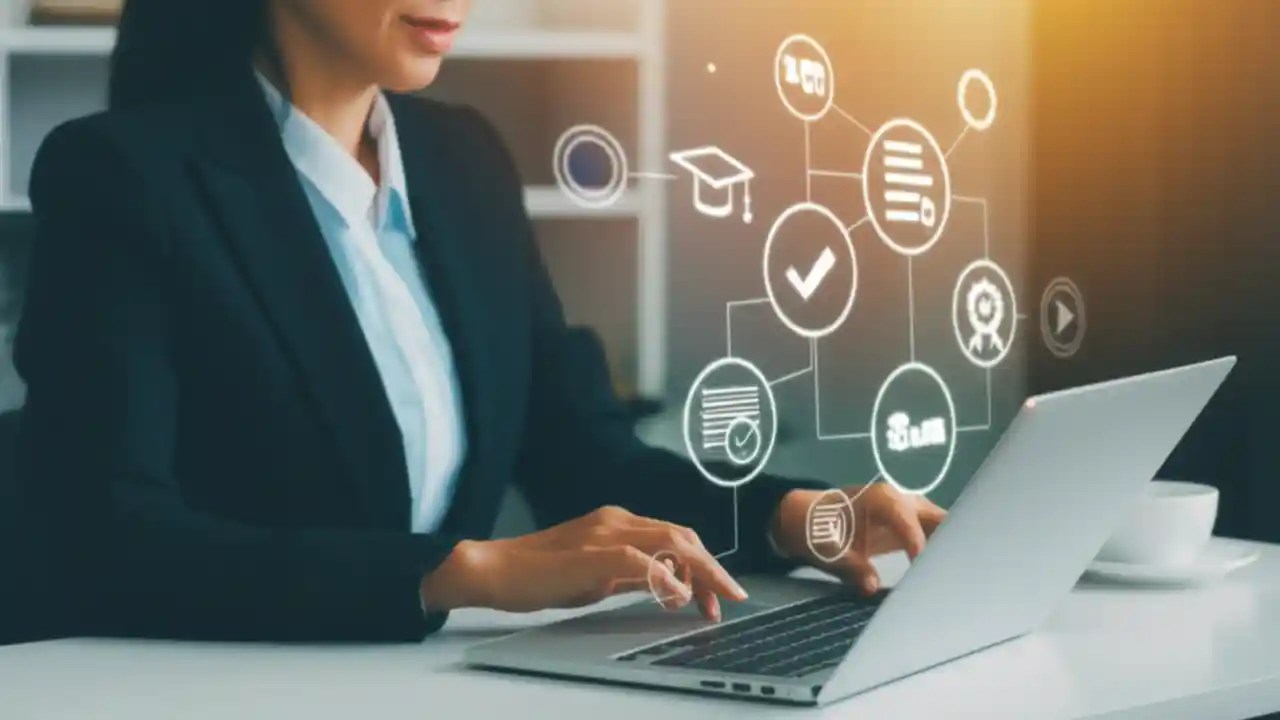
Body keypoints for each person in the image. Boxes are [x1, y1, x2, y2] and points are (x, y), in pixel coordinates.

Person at [16, 0, 944, 643]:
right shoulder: (122, 177)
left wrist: (793, 516)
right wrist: (468, 572)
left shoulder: (462, 158)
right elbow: (114, 533)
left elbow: (585, 458)